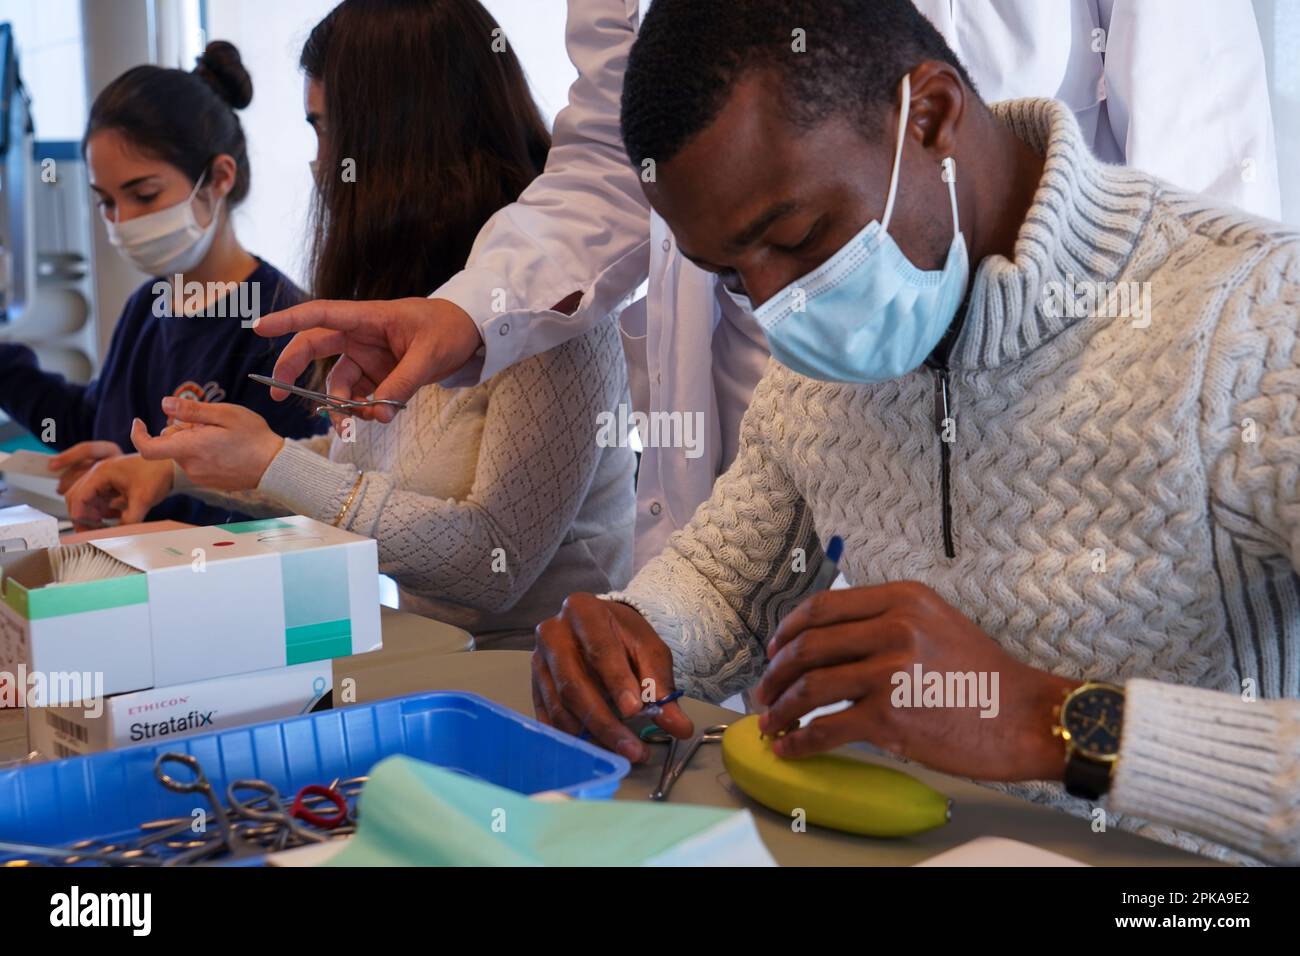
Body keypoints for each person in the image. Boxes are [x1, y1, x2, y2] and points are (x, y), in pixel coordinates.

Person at [525, 0, 1300, 865]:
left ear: (928, 116)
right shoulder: (831, 353)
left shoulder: (1259, 325)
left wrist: (1054, 722)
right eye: (734, 279)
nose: (781, 310)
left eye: (796, 236)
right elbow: (723, 580)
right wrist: (630, 636)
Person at [249, 0, 1280, 572]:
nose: (783, 290)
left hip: (1060, 357)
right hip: (788, 378)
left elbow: (1200, 141)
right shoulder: (788, 318)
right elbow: (625, 155)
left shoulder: (1254, 326)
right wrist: (471, 309)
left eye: (788, 242)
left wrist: (1160, 369)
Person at [68, 0, 636, 649]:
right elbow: (355, 473)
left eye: (324, 130)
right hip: (445, 665)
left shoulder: (552, 309)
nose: (318, 165)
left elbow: (488, 563)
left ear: (397, 136)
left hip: (550, 684)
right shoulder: (417, 286)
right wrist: (185, 469)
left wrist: (271, 462)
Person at [0, 42, 326, 525]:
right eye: (105, 202)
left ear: (218, 177)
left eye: (144, 195)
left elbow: (289, 502)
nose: (121, 221)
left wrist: (154, 480)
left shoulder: (280, 327)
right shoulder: (149, 307)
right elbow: (96, 422)